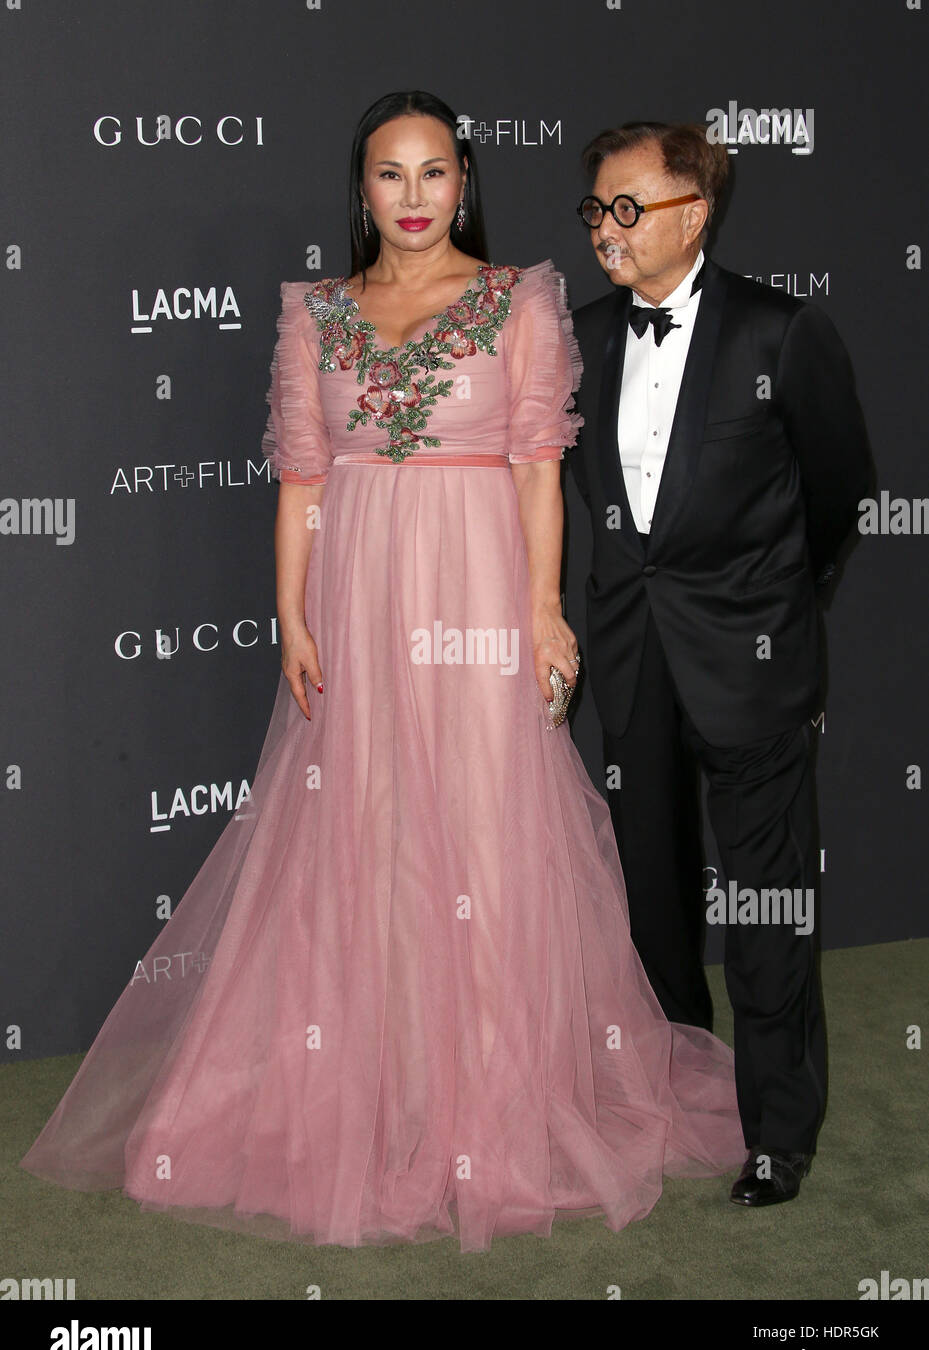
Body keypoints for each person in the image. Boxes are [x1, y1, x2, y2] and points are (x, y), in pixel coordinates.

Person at [20, 94, 746, 1253]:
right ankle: (387, 1089)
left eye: (432, 174)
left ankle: (490, 1101)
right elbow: (302, 479)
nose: (412, 198)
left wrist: (542, 613)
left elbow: (532, 470)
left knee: (479, 827)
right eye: (388, 176)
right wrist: (290, 616)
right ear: (361, 191)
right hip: (358, 603)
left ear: (464, 181)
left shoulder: (521, 298)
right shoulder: (316, 315)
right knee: (367, 829)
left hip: (475, 593)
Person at [567, 121, 873, 1208]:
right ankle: (675, 1095)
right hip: (632, 665)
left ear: (690, 213)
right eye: (593, 209)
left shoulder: (779, 333)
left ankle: (775, 1133)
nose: (603, 230)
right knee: (650, 905)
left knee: (765, 910)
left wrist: (773, 608)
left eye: (624, 208)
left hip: (749, 663)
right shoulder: (584, 336)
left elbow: (838, 492)